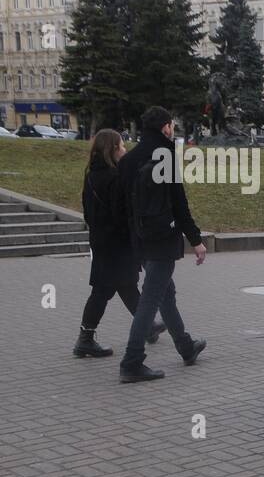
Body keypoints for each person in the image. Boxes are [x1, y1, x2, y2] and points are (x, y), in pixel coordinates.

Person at [116, 106, 207, 383]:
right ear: (166, 127)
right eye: (171, 125)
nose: (173, 129)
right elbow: (179, 204)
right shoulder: (165, 155)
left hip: (140, 239)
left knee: (165, 293)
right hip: (163, 239)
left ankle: (185, 346)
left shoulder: (129, 159)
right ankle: (132, 361)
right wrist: (196, 240)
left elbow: (121, 205)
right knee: (151, 299)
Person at [73, 129, 162, 358]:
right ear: (112, 150)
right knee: (104, 290)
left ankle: (147, 325)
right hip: (117, 245)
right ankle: (85, 339)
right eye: (122, 146)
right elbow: (123, 214)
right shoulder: (115, 177)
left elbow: (87, 212)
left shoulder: (91, 175)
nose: (125, 150)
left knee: (126, 285)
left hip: (101, 242)